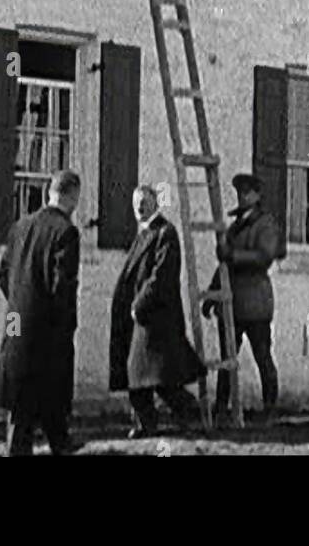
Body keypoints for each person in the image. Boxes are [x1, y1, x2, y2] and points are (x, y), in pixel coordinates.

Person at [0, 170, 82, 456]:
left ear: (48, 193)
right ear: (72, 195)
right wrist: (65, 327)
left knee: (20, 407)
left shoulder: (20, 226)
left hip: (15, 322)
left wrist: (21, 302)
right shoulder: (66, 231)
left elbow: (3, 274)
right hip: (46, 332)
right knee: (50, 404)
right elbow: (62, 288)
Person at [109, 183, 203, 438]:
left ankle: (187, 411)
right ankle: (145, 424)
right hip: (140, 317)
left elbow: (161, 276)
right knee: (138, 375)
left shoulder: (165, 233)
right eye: (136, 203)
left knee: (159, 377)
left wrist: (140, 305)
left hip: (157, 317)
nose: (139, 207)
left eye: (145, 202)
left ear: (155, 205)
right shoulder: (143, 234)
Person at [206, 173, 280, 420]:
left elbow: (264, 256)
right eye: (240, 192)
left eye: (248, 192)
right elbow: (223, 266)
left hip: (256, 303)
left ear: (257, 196)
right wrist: (212, 295)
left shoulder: (266, 223)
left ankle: (270, 409)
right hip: (232, 303)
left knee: (262, 357)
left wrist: (233, 256)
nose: (243, 196)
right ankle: (220, 409)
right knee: (227, 360)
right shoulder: (235, 226)